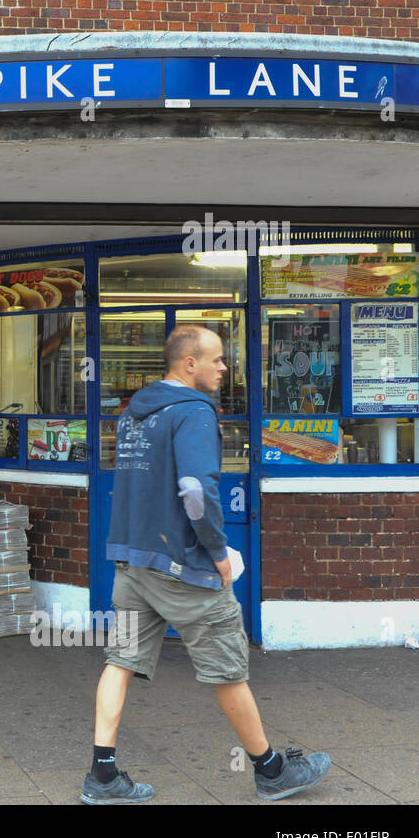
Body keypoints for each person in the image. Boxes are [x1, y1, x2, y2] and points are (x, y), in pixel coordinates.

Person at [83, 325, 330, 804]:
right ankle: (272, 771)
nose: (224, 368)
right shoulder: (193, 412)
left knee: (121, 661)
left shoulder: (134, 414)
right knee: (228, 668)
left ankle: (103, 775)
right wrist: (217, 552)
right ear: (188, 363)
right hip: (182, 567)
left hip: (132, 562)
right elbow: (195, 491)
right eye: (216, 359)